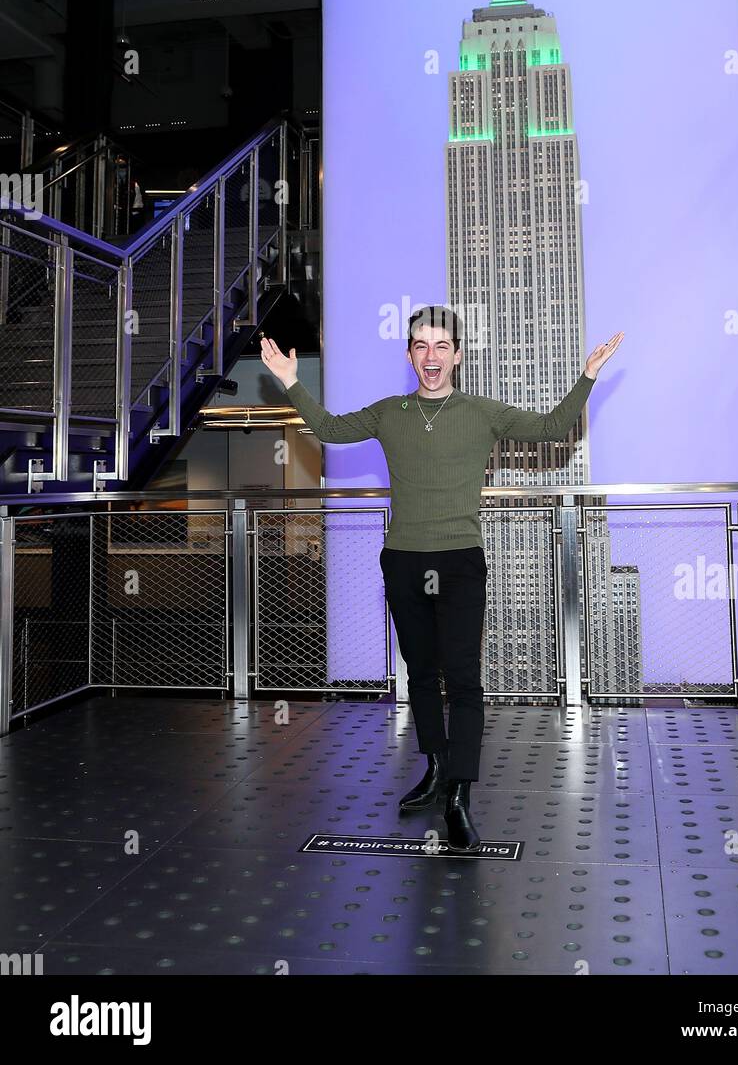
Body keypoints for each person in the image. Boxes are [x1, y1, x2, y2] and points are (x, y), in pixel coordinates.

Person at [260, 308, 623, 851]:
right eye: (420, 347)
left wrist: (588, 375)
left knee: (465, 680)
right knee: (422, 676)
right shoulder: (390, 413)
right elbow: (332, 432)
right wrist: (291, 382)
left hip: (458, 562)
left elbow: (551, 429)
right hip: (404, 560)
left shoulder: (482, 412)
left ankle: (459, 794)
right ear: (410, 355)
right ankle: (433, 768)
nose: (431, 357)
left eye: (441, 346)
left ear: (456, 354)